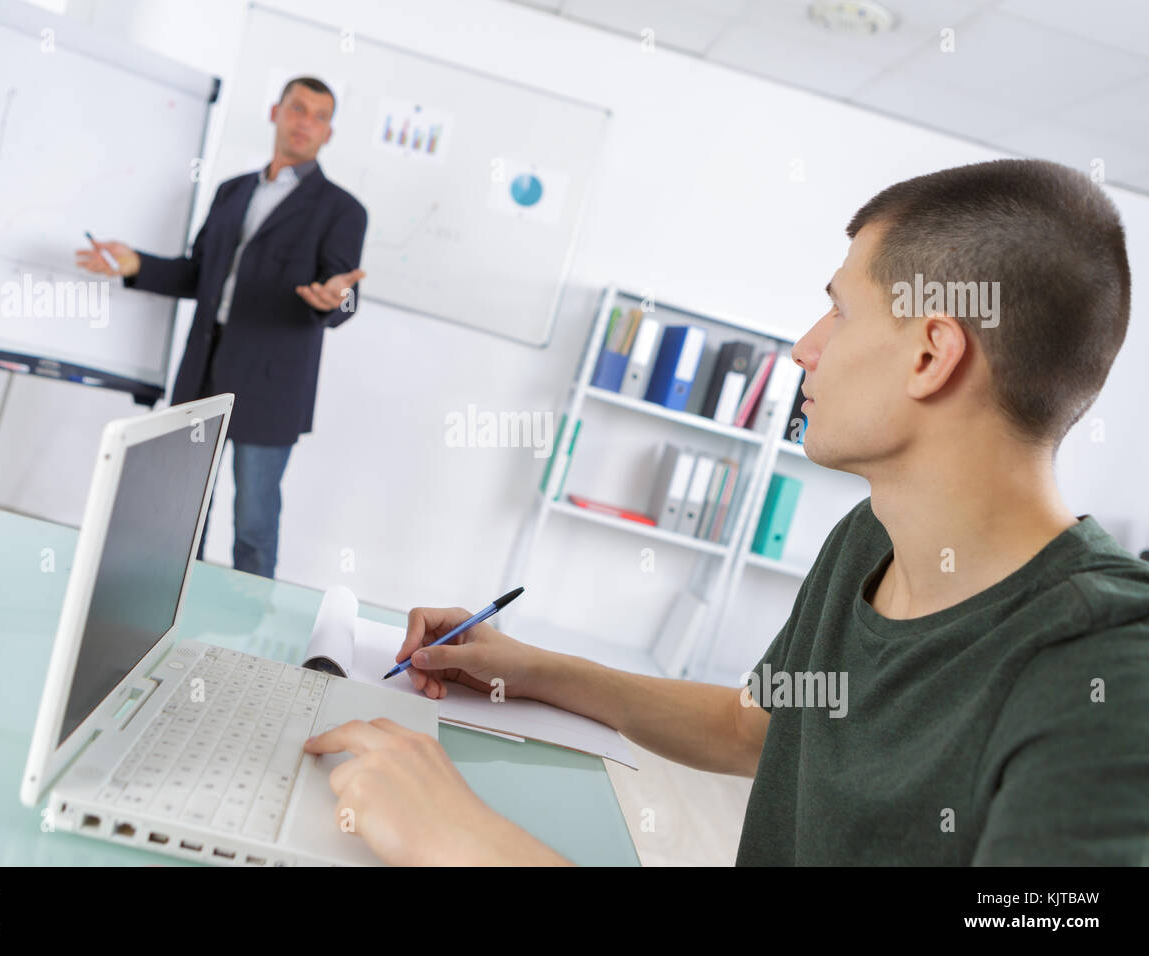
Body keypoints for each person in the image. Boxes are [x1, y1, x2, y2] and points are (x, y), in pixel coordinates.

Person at [303, 158, 1149, 865]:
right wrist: (528, 668)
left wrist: (469, 844)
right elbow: (762, 726)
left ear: (931, 354)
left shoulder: (1101, 674)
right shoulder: (872, 539)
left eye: (841, 309)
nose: (803, 347)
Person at [76, 76, 367, 578]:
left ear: (329, 134)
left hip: (272, 388)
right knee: (183, 512)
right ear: (275, 112)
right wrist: (136, 265)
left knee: (253, 522)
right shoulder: (233, 192)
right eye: (298, 109)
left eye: (319, 117)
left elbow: (341, 292)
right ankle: (171, 605)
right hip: (203, 376)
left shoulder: (343, 210)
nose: (305, 123)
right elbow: (198, 273)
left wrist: (337, 300)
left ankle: (248, 632)